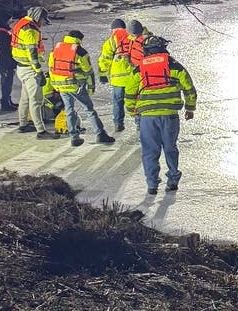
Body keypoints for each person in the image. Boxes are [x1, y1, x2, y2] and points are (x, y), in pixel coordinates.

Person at [122, 35, 197, 195]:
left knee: (150, 151)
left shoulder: (139, 68)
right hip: (170, 116)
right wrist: (190, 108)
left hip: (147, 117)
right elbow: (188, 87)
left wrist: (131, 110)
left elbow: (129, 92)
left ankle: (152, 184)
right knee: (170, 148)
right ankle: (173, 180)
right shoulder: (174, 65)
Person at [48, 30, 115, 147]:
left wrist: (55, 85)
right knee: (89, 109)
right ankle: (100, 134)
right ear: (78, 39)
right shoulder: (80, 51)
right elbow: (88, 71)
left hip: (60, 85)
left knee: (69, 110)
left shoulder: (56, 49)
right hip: (76, 85)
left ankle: (74, 137)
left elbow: (51, 67)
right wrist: (91, 86)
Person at [11, 5, 59, 139]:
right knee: (36, 101)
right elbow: (32, 53)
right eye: (43, 20)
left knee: (25, 98)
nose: (43, 23)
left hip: (21, 67)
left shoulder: (21, 23)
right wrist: (38, 72)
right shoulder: (31, 30)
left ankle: (23, 124)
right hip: (30, 69)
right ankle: (41, 131)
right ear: (38, 17)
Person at [0, 16, 17, 111]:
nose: (11, 21)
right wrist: (13, 61)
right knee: (6, 82)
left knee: (8, 82)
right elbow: (5, 50)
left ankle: (8, 101)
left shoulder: (3, 30)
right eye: (9, 19)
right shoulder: (1, 33)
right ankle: (5, 103)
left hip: (4, 59)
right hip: (4, 60)